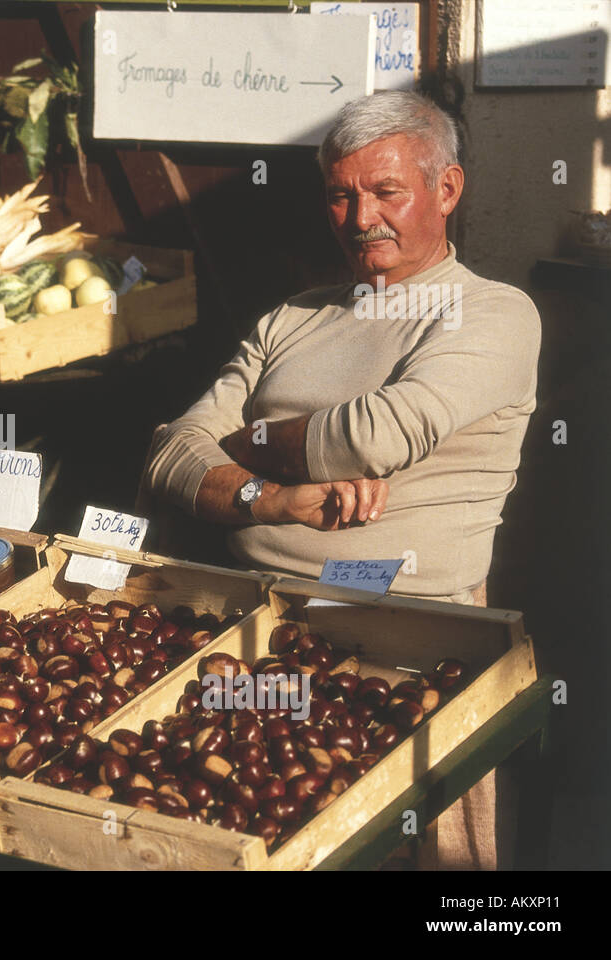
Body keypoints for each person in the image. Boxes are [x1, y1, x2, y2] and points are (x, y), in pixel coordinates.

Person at [140, 91, 540, 869]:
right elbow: (168, 454)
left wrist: (243, 440)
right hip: (251, 631)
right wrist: (268, 494)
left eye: (386, 192)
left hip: (411, 642)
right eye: (340, 194)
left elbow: (373, 435)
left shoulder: (493, 314)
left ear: (447, 190)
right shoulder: (293, 316)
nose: (361, 219)